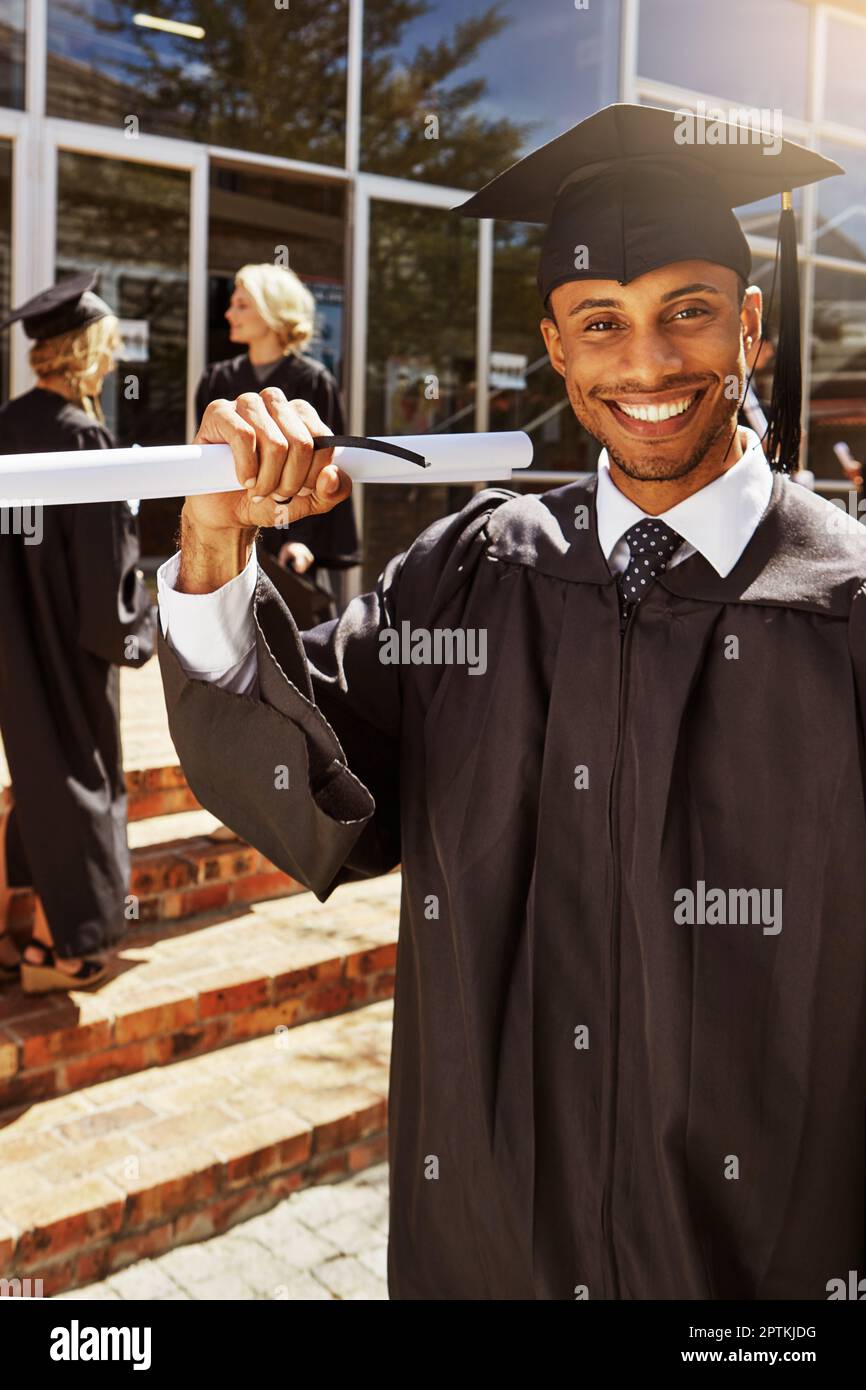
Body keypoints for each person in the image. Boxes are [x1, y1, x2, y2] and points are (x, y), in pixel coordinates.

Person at [156, 105, 866, 1300]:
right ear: (555, 346)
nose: (645, 364)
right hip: (493, 1240)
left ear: (748, 324)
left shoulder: (843, 613)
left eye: (686, 311)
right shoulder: (473, 573)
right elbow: (323, 790)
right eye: (602, 323)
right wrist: (214, 547)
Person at [0, 272, 156, 992]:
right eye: (111, 345)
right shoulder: (85, 438)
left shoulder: (8, 423)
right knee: (76, 779)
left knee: (30, 780)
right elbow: (107, 585)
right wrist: (140, 631)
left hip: (12, 645)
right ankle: (62, 950)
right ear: (86, 351)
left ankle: (16, 934)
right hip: (64, 650)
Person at [195, 263, 359, 614]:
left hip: (290, 547)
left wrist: (302, 541)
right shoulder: (216, 381)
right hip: (230, 534)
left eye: (241, 305)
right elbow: (204, 463)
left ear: (271, 311)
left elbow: (328, 464)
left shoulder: (314, 381)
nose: (229, 313)